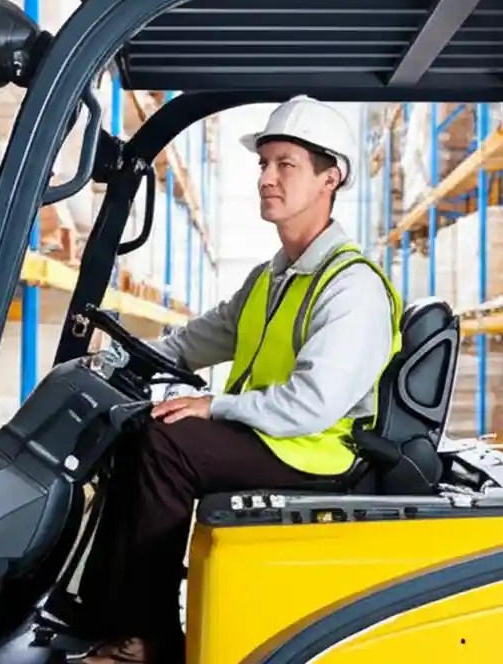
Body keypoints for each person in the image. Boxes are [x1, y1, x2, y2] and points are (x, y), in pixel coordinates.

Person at [86, 95, 402, 664]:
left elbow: (312, 405)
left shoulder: (351, 287)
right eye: (263, 164)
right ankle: (103, 615)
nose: (267, 178)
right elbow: (193, 341)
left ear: (330, 178)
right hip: (275, 435)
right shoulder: (271, 278)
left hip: (317, 451)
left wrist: (216, 405)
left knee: (169, 445)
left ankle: (151, 638)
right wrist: (119, 360)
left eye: (286, 165)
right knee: (136, 430)